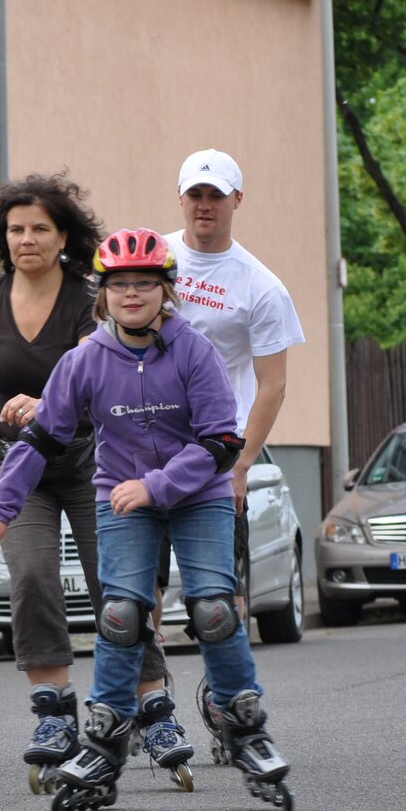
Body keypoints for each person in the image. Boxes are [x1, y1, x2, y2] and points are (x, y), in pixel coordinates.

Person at [0, 229, 293, 811]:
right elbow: (40, 439)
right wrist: (2, 509)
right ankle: (103, 742)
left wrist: (156, 486)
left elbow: (224, 441)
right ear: (103, 295)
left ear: (166, 291)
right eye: (119, 284)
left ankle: (245, 727)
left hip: (198, 494)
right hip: (119, 498)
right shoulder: (85, 361)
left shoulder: (195, 349)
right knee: (121, 614)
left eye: (145, 283)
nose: (132, 294)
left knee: (213, 609)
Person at [0, 175, 178, 792]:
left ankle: (153, 709)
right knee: (32, 574)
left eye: (40, 228)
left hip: (100, 462)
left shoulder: (91, 299)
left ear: (64, 237)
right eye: (15, 229)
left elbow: (116, 374)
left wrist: (49, 403)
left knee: (116, 585)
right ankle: (53, 714)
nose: (26, 239)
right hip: (20, 466)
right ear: (2, 238)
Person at [162, 148, 305, 610]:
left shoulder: (260, 286)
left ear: (237, 199)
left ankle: (226, 679)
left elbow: (273, 384)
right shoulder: (151, 263)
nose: (205, 204)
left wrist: (241, 466)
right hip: (149, 435)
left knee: (220, 589)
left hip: (216, 446)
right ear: (180, 198)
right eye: (195, 194)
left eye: (216, 195)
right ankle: (150, 678)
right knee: (141, 586)